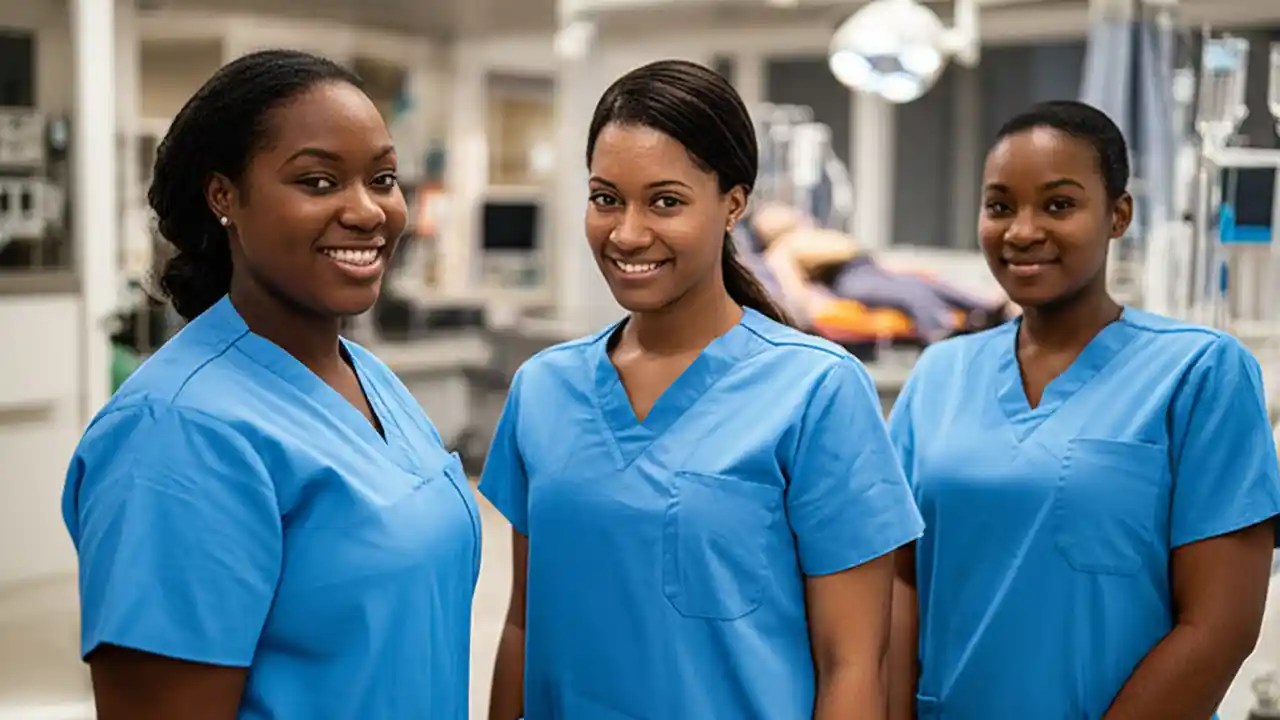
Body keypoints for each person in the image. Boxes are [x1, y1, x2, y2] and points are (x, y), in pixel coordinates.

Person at [479, 59, 924, 720]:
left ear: (733, 204)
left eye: (665, 201)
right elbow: (522, 625)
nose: (627, 233)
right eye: (606, 198)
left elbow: (853, 665)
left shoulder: (816, 392)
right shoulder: (545, 389)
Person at [61, 49, 480, 720]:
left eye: (383, 178)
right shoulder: (177, 433)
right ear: (223, 195)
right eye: (318, 182)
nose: (369, 210)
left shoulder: (366, 376)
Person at [886, 99, 1280, 719]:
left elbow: (1219, 625)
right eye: (999, 206)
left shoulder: (1198, 374)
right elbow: (899, 583)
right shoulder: (940, 374)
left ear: (1118, 215)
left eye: (1059, 204)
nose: (1022, 230)